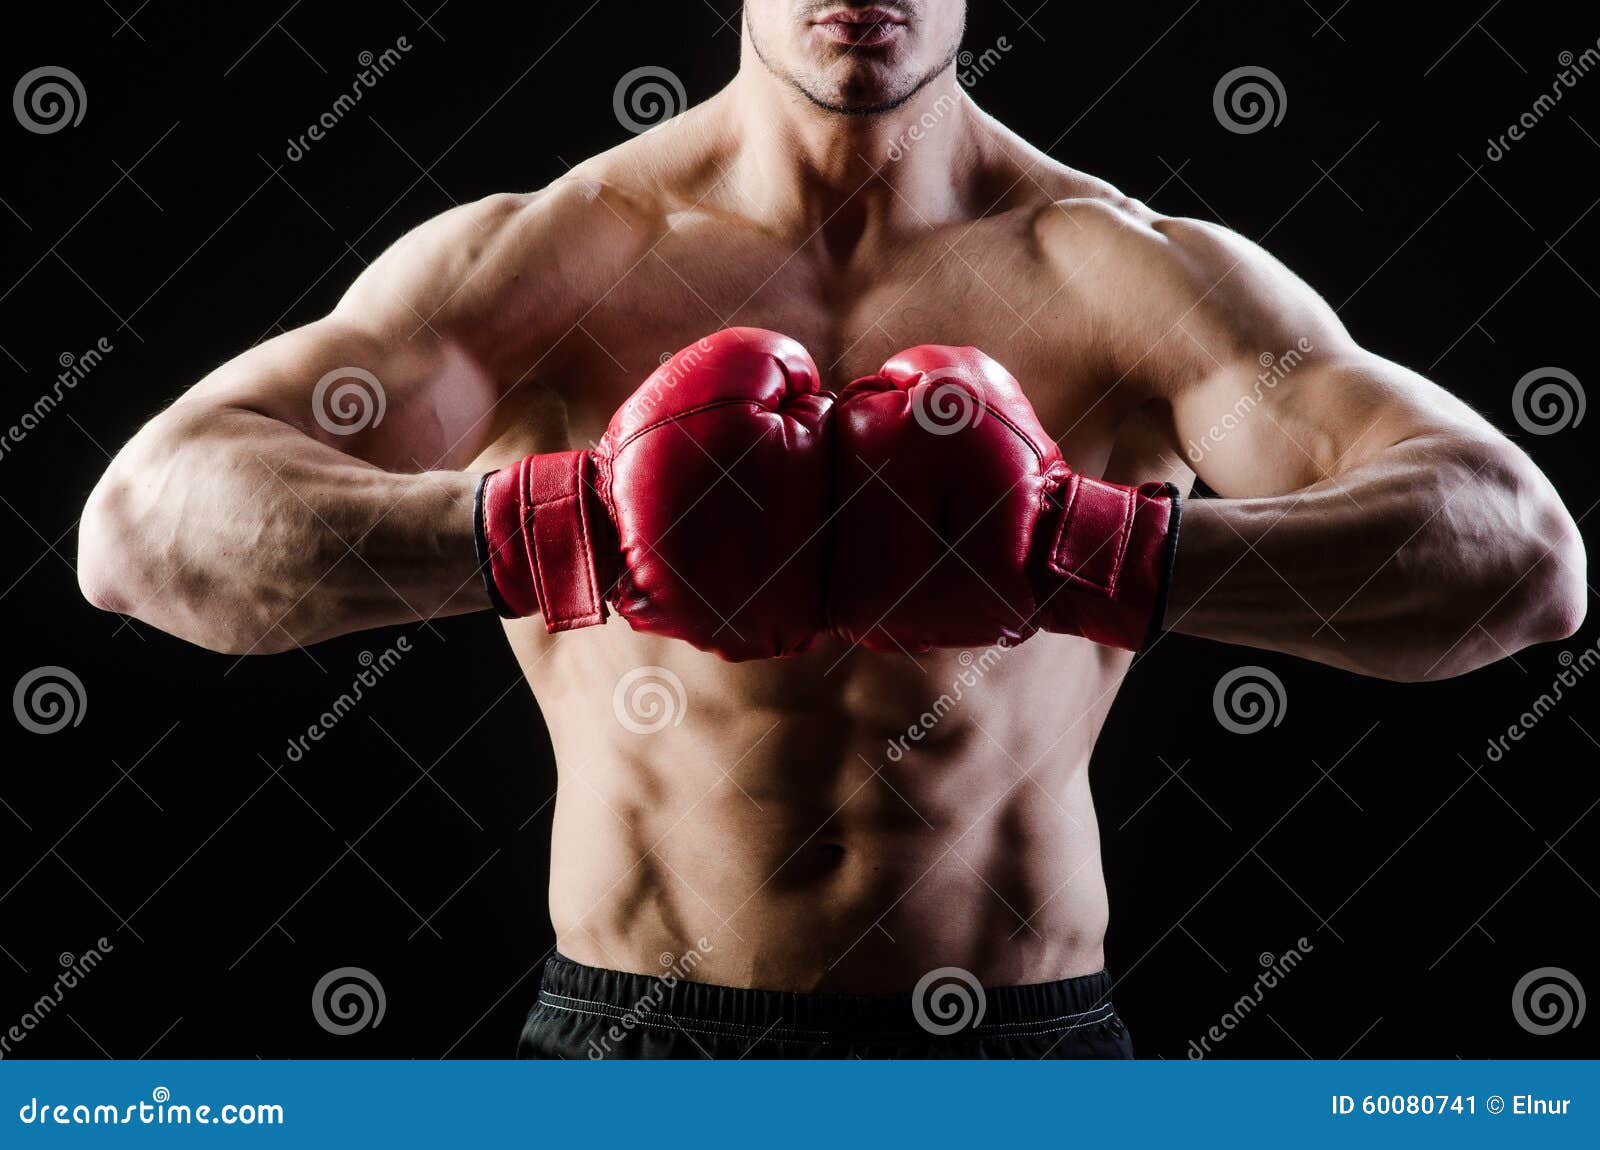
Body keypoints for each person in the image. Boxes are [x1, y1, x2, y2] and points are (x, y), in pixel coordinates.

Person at [78, 2, 1586, 1058]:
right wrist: (561, 532)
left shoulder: (1122, 273)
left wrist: (1090, 549)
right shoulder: (554, 257)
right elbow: (144, 532)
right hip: (630, 1040)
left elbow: (1518, 559)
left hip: (1019, 1047)